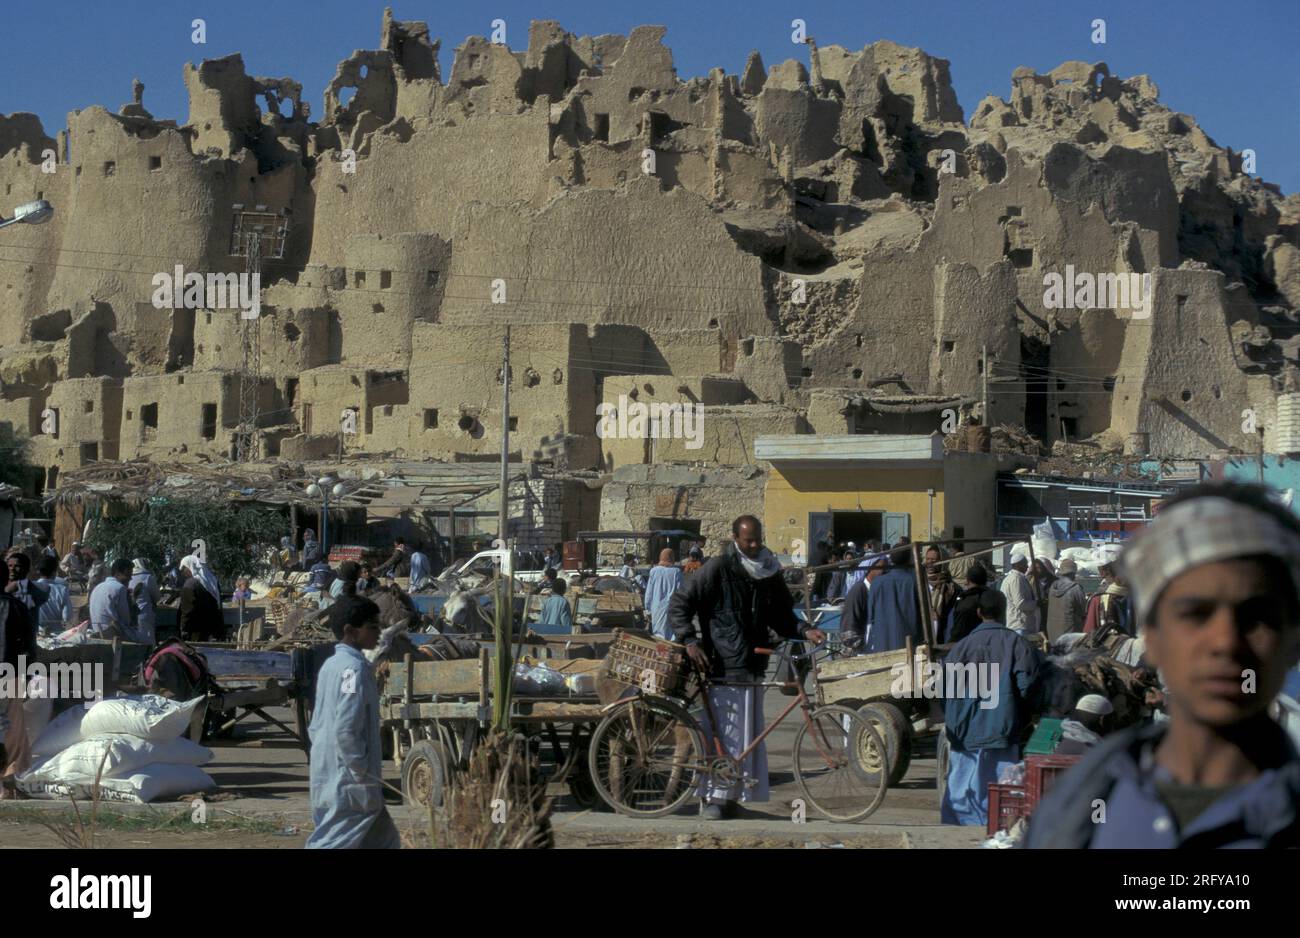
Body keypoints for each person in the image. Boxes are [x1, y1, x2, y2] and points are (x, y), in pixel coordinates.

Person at [1028, 481, 1300, 848]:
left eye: (1256, 617)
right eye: (1195, 614)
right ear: (1152, 638)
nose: (1224, 642)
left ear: (1293, 641)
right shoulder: (1083, 802)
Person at [668, 515, 826, 819]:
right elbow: (680, 603)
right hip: (724, 663)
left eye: (757, 539)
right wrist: (689, 640)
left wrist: (805, 630)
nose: (754, 545)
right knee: (725, 732)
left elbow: (782, 614)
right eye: (747, 540)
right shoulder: (717, 567)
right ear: (735, 538)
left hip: (754, 660)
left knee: (746, 735)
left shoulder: (769, 569)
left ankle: (732, 795)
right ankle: (712, 798)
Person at [941, 590, 1044, 826]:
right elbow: (1027, 686)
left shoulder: (961, 647)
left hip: (965, 732)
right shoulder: (1016, 644)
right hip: (1002, 730)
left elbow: (943, 689)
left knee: (960, 788)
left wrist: (955, 717)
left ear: (979, 613)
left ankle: (956, 831)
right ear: (1005, 611)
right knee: (1000, 791)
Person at [306, 596, 400, 849]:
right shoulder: (353, 670)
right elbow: (346, 729)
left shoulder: (332, 665)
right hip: (349, 781)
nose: (379, 632)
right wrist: (361, 773)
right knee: (333, 843)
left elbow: (316, 725)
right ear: (350, 631)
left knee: (385, 841)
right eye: (372, 626)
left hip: (334, 772)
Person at [0, 559, 37, 795]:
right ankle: (7, 780)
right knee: (10, 730)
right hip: (9, 677)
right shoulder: (18, 607)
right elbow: (29, 649)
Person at [864, 546, 925, 654]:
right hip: (909, 645)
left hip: (882, 642)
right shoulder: (916, 582)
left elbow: (871, 615)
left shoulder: (877, 582)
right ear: (910, 558)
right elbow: (923, 615)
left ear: (891, 558)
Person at [88, 558, 137, 641]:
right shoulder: (120, 588)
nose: (130, 578)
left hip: (96, 631)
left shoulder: (98, 586)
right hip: (112, 633)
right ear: (118, 573)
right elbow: (126, 619)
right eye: (128, 575)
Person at [178, 556, 224, 642]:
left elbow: (187, 610)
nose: (183, 573)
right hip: (212, 629)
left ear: (189, 567)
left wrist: (183, 629)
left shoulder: (190, 584)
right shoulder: (212, 581)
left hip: (195, 631)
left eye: (184, 568)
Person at [643, 548, 684, 640]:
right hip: (672, 607)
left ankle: (661, 653)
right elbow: (680, 592)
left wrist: (647, 609)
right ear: (672, 558)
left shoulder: (654, 571)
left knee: (658, 635)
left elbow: (649, 593)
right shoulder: (676, 572)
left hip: (657, 607)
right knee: (672, 634)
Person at [944, 562, 989, 644]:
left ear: (967, 581)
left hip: (966, 646)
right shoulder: (995, 599)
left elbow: (956, 632)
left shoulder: (964, 602)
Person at [1083, 562, 1132, 637]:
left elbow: (1088, 632)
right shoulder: (1137, 599)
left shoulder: (1098, 600)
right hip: (1131, 645)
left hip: (1107, 646)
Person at [1045, 558, 1088, 642]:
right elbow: (1083, 610)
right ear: (1073, 573)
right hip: (1070, 634)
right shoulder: (1075, 588)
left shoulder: (1053, 587)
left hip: (1053, 633)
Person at [999, 548, 1039, 634]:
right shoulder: (1016, 579)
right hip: (1019, 625)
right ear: (1019, 565)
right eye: (1025, 564)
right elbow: (1020, 603)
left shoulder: (1014, 578)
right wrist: (1036, 603)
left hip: (1020, 625)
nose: (1027, 567)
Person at [925, 546, 960, 643]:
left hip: (943, 638)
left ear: (943, 562)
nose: (930, 563)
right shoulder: (919, 584)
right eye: (927, 559)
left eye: (934, 560)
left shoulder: (952, 589)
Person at [34, 556, 75, 634]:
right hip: (56, 634)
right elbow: (67, 617)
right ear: (54, 572)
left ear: (39, 571)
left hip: (36, 633)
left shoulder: (31, 587)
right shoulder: (62, 589)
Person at [5, 552, 49, 622]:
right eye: (9, 566)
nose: (12, 569)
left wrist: (18, 585)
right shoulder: (4, 587)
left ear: (27, 569)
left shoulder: (35, 589)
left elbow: (44, 590)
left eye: (17, 566)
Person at [127, 559, 161, 646]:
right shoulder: (148, 577)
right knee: (149, 640)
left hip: (131, 614)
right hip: (145, 613)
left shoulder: (129, 577)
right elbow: (157, 597)